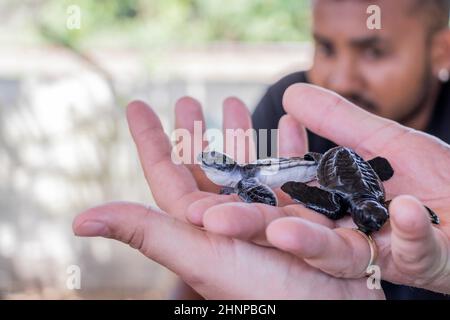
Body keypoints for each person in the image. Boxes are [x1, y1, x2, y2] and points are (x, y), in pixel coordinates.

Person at [73, 84, 450, 299]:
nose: (373, 222)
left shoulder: (344, 202)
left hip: (330, 171)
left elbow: (297, 189)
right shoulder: (255, 172)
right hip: (331, 169)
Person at [250, 0, 450, 299]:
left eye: (374, 52)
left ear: (441, 51)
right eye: (326, 48)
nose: (340, 81)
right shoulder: (288, 106)